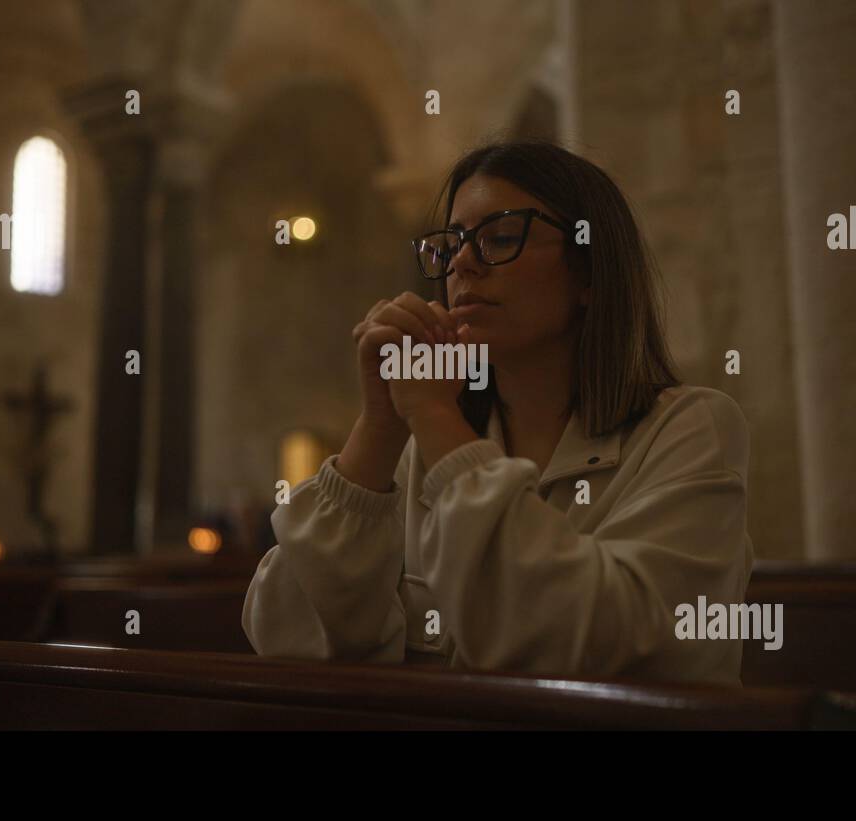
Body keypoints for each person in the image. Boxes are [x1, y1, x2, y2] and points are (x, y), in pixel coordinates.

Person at [242, 140, 753, 684]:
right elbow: (286, 641)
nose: (462, 262)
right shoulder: (419, 447)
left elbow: (599, 641)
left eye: (500, 238)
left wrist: (434, 415)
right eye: (451, 245)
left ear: (588, 272)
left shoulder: (690, 429)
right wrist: (380, 426)